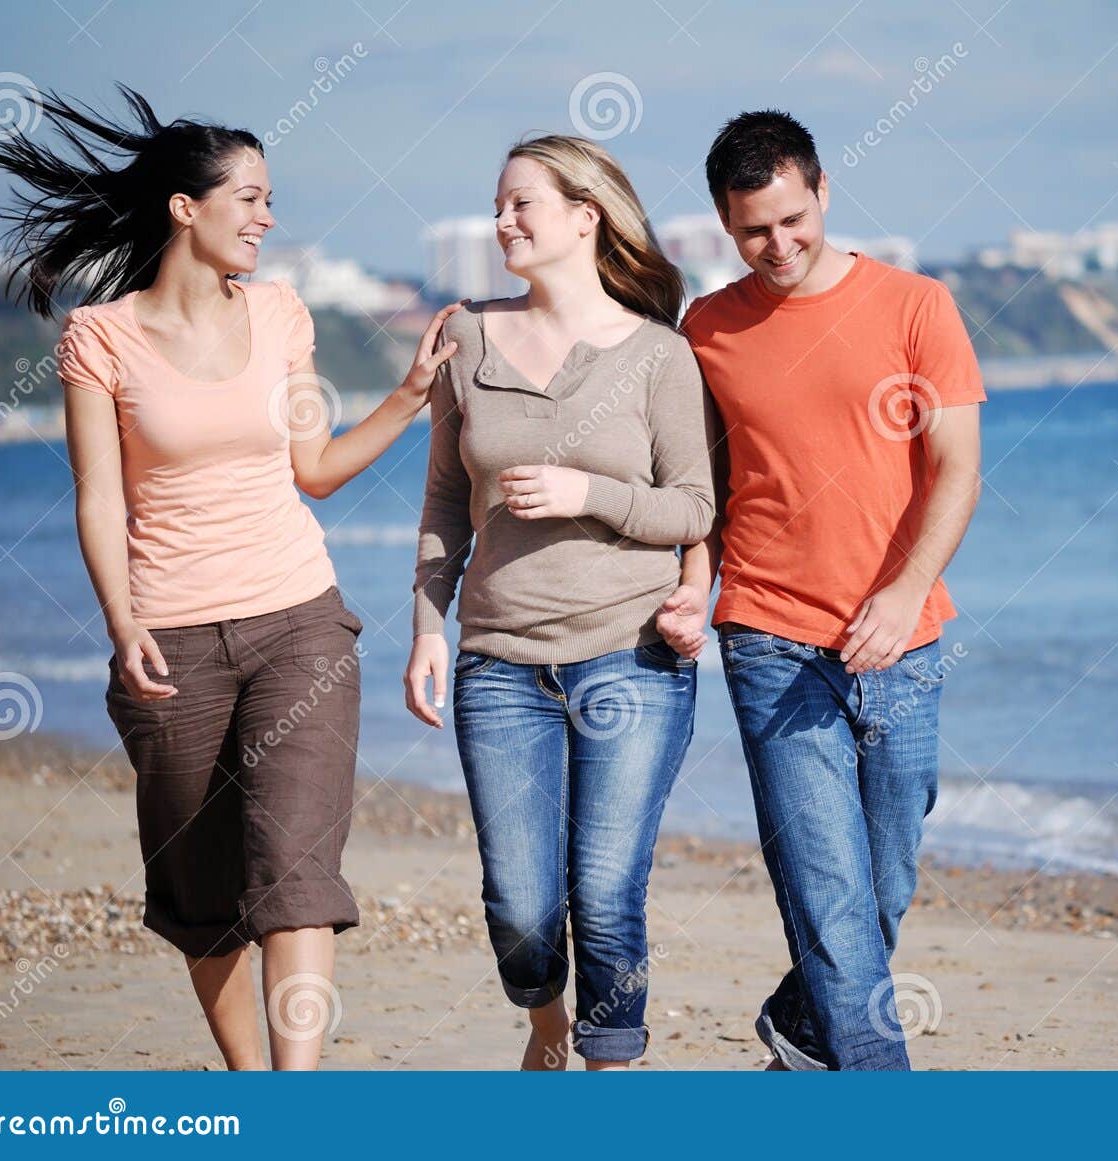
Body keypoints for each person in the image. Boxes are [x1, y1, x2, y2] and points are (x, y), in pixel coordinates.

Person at [0, 84, 460, 1070]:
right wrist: (122, 623)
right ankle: (250, 1087)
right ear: (184, 208)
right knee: (200, 892)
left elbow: (314, 469)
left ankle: (296, 1106)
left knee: (297, 873)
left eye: (271, 197)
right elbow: (99, 500)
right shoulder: (99, 338)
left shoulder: (282, 314)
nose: (268, 216)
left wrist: (413, 394)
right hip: (171, 642)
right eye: (249, 196)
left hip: (299, 622)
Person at [678, 109, 987, 1070]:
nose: (777, 245)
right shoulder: (708, 328)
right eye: (752, 231)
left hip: (905, 636)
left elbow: (958, 469)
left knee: (883, 880)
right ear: (726, 229)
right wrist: (694, 584)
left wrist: (904, 593)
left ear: (821, 190)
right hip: (768, 635)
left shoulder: (915, 305)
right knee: (829, 887)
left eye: (790, 219)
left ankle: (802, 1021)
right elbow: (701, 485)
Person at [404, 134, 716, 1070]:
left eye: (520, 204)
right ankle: (546, 1022)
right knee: (521, 901)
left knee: (609, 887)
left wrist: (592, 495)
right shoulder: (467, 336)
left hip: (631, 653)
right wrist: (428, 624)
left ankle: (610, 1065)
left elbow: (697, 507)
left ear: (586, 216)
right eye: (498, 205)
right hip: (498, 661)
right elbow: (444, 502)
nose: (501, 222)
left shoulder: (660, 353)